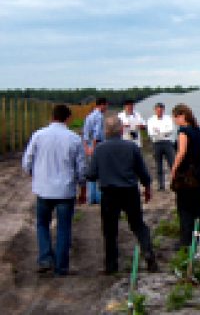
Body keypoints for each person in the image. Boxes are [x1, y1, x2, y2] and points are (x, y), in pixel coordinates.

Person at [86, 116, 158, 274]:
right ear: (121, 130)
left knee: (110, 230)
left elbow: (91, 174)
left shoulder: (99, 149)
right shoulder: (131, 147)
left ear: (106, 131)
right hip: (129, 191)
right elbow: (142, 171)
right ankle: (148, 252)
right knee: (138, 224)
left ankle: (111, 266)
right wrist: (147, 187)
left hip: (109, 193)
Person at [22, 104, 86, 276]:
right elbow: (81, 168)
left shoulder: (39, 135)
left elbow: (27, 161)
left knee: (42, 224)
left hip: (43, 189)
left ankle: (45, 258)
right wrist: (83, 188)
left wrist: (33, 174)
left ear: (52, 117)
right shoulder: (74, 138)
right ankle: (61, 267)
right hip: (65, 191)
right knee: (64, 228)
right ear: (68, 118)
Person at [170, 104, 200, 248]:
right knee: (197, 207)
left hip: (186, 174)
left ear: (181, 116)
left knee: (184, 208)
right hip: (199, 173)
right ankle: (199, 238)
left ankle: (185, 241)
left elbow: (181, 152)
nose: (174, 121)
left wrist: (174, 169)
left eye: (175, 117)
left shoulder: (183, 131)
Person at [83, 97, 108, 204]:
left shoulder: (89, 116)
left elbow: (85, 134)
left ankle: (90, 197)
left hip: (89, 146)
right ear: (102, 105)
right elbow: (97, 134)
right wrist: (93, 147)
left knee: (91, 171)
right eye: (106, 105)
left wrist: (87, 148)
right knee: (99, 171)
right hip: (97, 145)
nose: (106, 108)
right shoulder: (99, 117)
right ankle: (97, 197)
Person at [147, 102, 175, 191]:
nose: (159, 112)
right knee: (158, 165)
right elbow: (151, 133)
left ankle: (175, 182)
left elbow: (170, 130)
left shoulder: (168, 119)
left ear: (163, 110)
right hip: (157, 143)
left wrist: (159, 132)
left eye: (161, 110)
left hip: (167, 142)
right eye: (157, 110)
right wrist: (163, 132)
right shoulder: (151, 120)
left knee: (172, 163)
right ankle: (161, 185)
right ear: (155, 110)